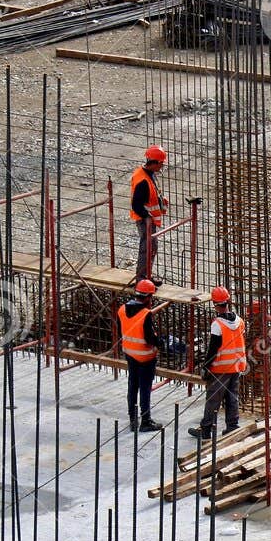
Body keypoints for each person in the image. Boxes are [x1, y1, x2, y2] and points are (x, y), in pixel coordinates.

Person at [189, 286, 247, 439]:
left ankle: (206, 429)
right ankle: (232, 426)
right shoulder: (240, 321)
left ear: (215, 304)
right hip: (236, 366)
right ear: (228, 301)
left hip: (220, 369)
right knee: (232, 397)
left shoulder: (217, 325)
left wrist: (205, 367)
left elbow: (213, 349)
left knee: (213, 400)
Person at [115, 278, 162, 433]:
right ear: (148, 297)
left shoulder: (122, 309)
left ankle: (133, 419)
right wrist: (161, 341)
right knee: (145, 388)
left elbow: (120, 329)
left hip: (130, 354)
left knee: (132, 386)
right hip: (145, 357)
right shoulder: (145, 314)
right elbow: (149, 339)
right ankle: (146, 420)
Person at [130, 146, 167, 281]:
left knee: (151, 247)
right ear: (155, 162)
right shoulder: (143, 181)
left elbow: (149, 195)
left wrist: (160, 200)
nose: (162, 166)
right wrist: (147, 217)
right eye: (161, 163)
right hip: (145, 220)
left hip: (148, 219)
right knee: (147, 249)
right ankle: (142, 280)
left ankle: (146, 277)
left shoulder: (146, 173)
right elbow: (136, 205)